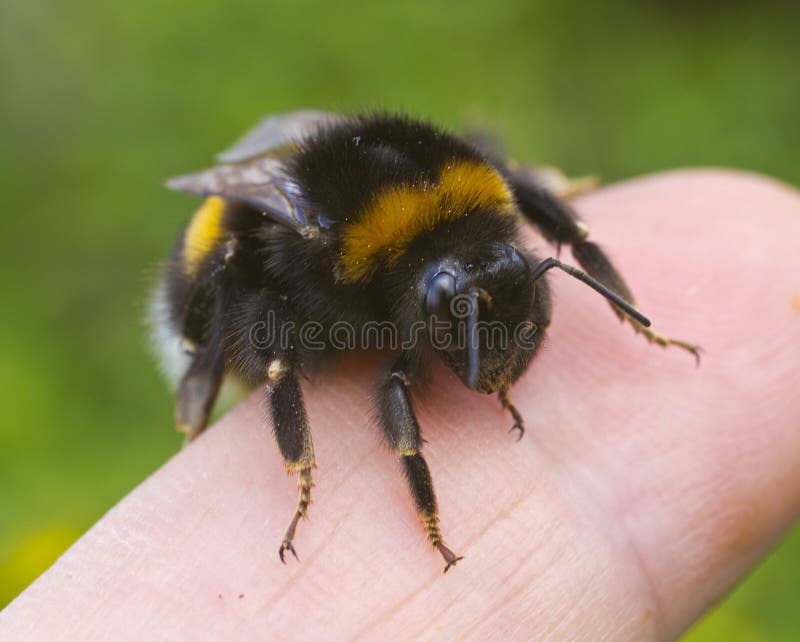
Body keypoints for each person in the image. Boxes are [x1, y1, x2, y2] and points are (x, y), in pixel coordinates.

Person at [1, 169, 798, 641]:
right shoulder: (356, 281)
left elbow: (493, 193)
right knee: (281, 335)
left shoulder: (474, 206)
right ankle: (229, 420)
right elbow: (387, 370)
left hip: (375, 213)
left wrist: (607, 294)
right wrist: (308, 482)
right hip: (235, 239)